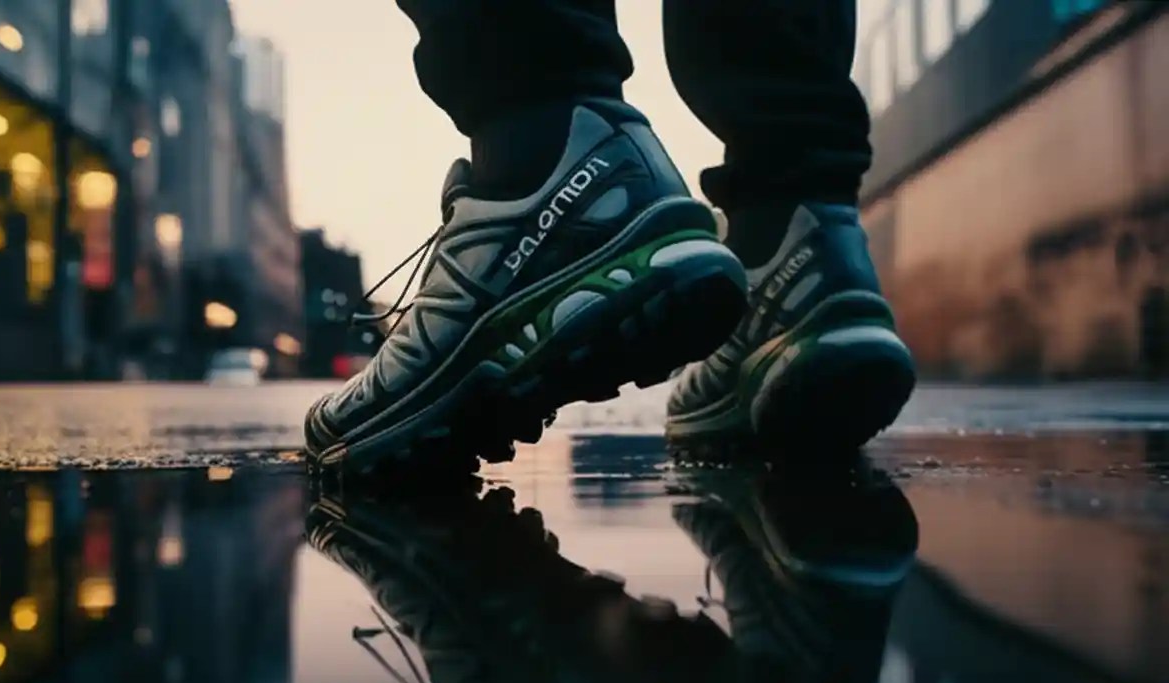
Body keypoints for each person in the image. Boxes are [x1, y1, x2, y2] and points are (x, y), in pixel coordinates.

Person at [305, 0, 916, 476]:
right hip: (819, 198)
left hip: (547, 149)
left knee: (537, 102)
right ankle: (797, 244)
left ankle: (540, 156)